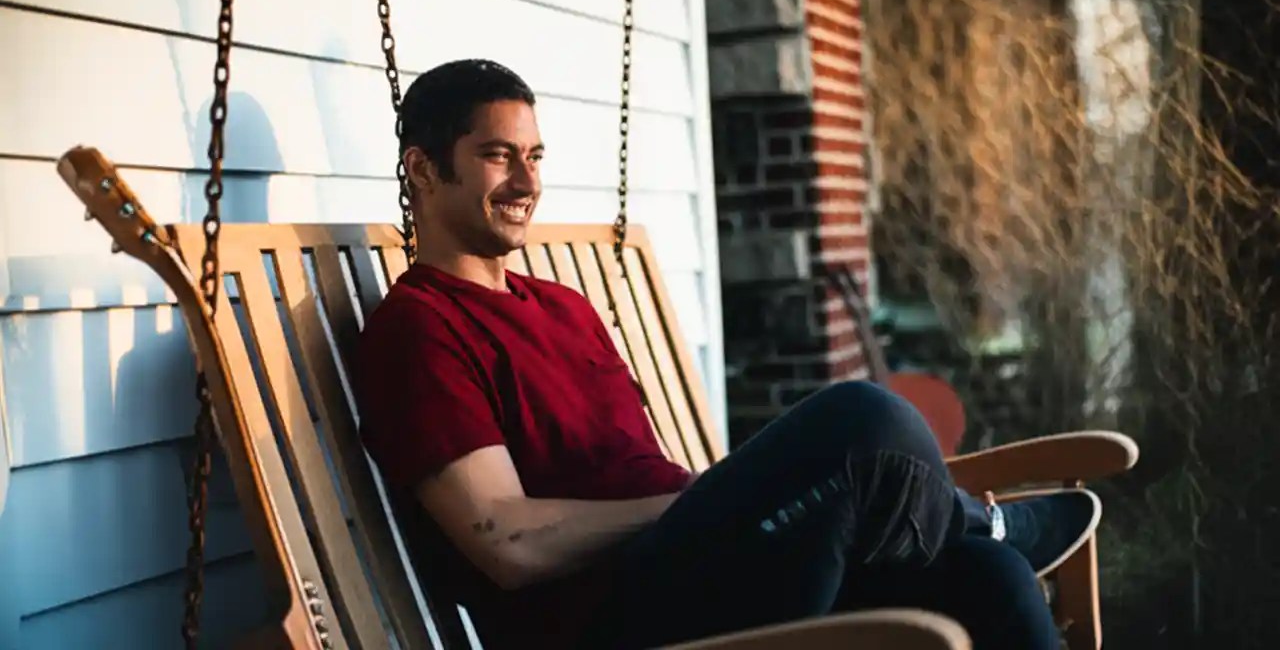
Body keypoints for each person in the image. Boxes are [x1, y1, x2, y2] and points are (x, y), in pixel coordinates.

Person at [355, 59, 1101, 650]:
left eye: (534, 156)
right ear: (423, 169)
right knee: (865, 420)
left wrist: (714, 505)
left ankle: (984, 536)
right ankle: (983, 519)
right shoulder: (419, 329)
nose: (526, 182)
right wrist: (691, 504)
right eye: (496, 156)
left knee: (989, 578)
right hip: (615, 619)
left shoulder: (562, 307)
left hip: (697, 568)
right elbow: (507, 541)